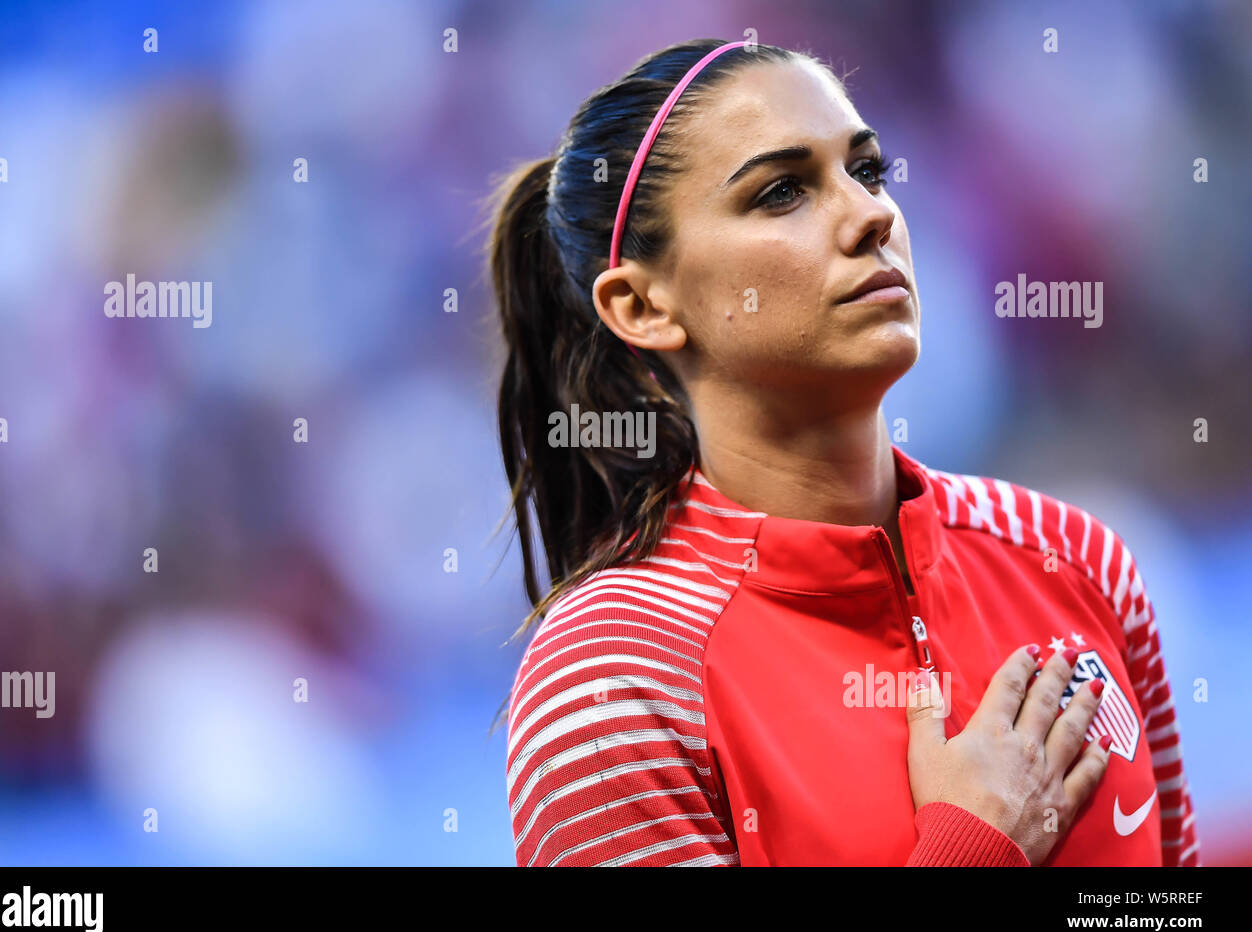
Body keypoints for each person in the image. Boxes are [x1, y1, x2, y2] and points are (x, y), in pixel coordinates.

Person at [486, 37, 1198, 865]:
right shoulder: (613, 678)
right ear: (643, 305)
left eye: (867, 171)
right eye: (782, 192)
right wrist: (975, 847)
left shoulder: (1076, 560)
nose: (872, 216)